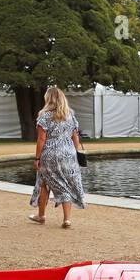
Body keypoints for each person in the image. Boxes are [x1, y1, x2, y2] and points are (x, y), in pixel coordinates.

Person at [28, 86, 85, 229]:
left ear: (48, 98)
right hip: (69, 154)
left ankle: (41, 216)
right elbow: (75, 136)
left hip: (50, 154)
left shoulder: (44, 115)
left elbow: (41, 139)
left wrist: (37, 158)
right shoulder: (70, 114)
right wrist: (76, 153)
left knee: (43, 182)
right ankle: (67, 220)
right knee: (66, 184)